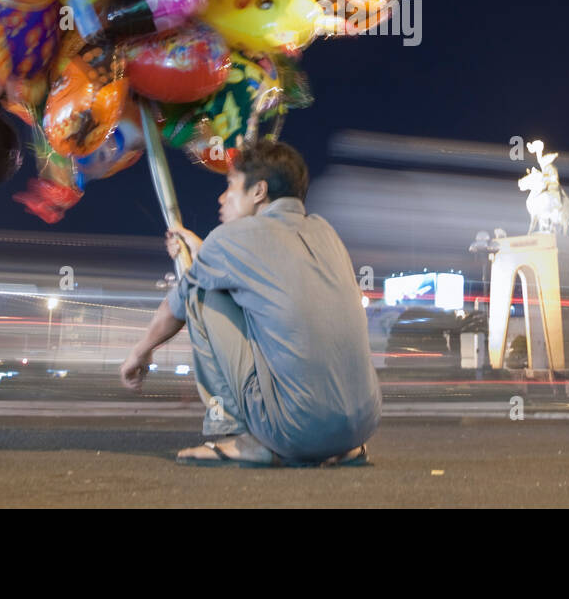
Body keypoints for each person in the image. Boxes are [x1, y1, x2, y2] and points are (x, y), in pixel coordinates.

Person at [120, 139, 381, 466]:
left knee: (201, 294)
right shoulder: (325, 232)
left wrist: (139, 351)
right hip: (360, 428)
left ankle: (237, 436)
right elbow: (268, 274)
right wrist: (204, 252)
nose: (222, 197)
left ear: (258, 191)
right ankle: (335, 445)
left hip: (297, 432)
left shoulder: (230, 240)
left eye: (230, 186)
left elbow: (177, 303)